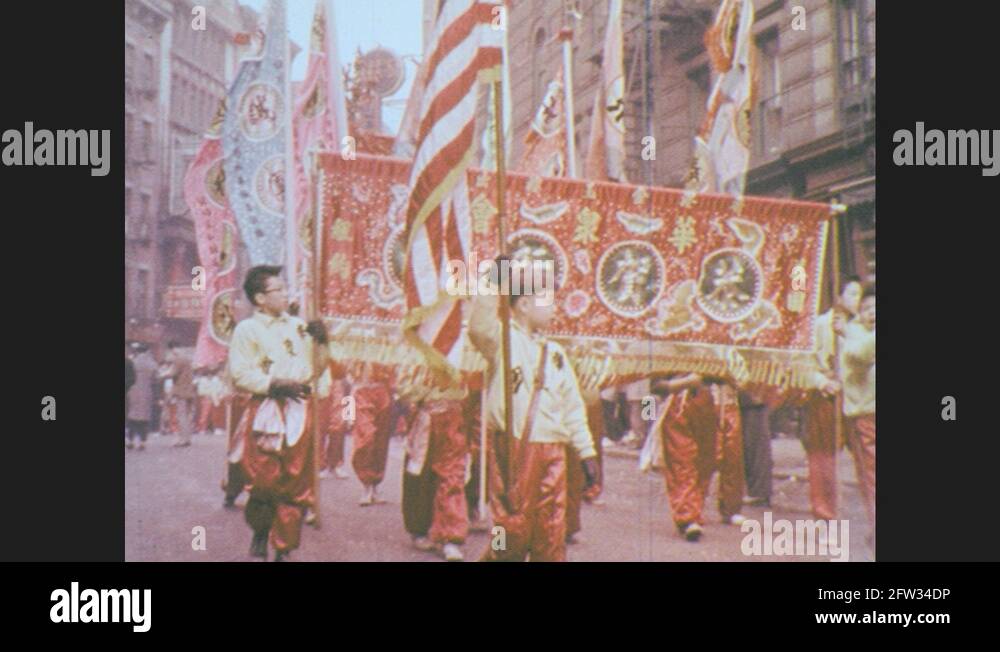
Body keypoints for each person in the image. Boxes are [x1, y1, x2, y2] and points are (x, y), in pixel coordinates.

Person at [468, 257, 599, 562]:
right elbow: (479, 326)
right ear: (524, 304)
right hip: (513, 449)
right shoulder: (502, 341)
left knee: (551, 533)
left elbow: (572, 407)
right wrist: (492, 281)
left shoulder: (556, 354)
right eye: (548, 300)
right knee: (509, 532)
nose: (555, 308)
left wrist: (586, 451)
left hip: (553, 453)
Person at [227, 265, 330, 562]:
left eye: (286, 288)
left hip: (299, 409)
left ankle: (284, 547)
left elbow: (317, 370)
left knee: (295, 482)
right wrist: (273, 384)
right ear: (260, 298)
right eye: (279, 289)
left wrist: (322, 342)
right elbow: (241, 374)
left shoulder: (299, 326)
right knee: (263, 480)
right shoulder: (247, 330)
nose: (287, 294)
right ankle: (261, 530)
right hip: (267, 410)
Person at [652, 373, 746, 541]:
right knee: (681, 462)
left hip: (709, 405)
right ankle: (686, 517)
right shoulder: (663, 351)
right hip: (675, 406)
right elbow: (651, 390)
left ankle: (697, 510)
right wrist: (647, 422)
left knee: (707, 463)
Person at [802, 276, 862, 520]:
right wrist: (821, 381)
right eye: (851, 294)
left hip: (858, 399)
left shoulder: (862, 326)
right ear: (839, 297)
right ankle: (825, 513)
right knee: (823, 456)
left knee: (866, 456)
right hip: (827, 397)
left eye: (859, 295)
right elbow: (806, 361)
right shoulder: (819, 324)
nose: (856, 300)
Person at [399, 377, 470, 561]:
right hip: (426, 419)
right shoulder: (419, 355)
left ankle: (450, 537)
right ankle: (419, 528)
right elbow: (404, 389)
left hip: (455, 419)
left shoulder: (467, 352)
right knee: (420, 476)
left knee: (453, 476)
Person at [836, 284, 875, 534]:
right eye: (867, 308)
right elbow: (859, 355)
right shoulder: (851, 333)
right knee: (872, 474)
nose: (872, 313)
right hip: (865, 413)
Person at [351, 365, 394, 506]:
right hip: (360, 393)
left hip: (382, 392)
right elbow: (345, 380)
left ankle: (375, 485)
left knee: (380, 442)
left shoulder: (387, 345)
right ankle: (366, 484)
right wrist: (347, 415)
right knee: (366, 438)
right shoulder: (353, 346)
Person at [161, 342, 197, 447]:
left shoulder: (179, 359)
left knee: (181, 416)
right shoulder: (188, 358)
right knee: (186, 415)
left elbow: (172, 373)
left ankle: (183, 439)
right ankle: (187, 438)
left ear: (173, 349)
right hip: (189, 390)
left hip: (181, 391)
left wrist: (161, 374)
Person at [739, 389, 772, 507]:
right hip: (751, 396)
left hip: (754, 395)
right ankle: (757, 491)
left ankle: (759, 492)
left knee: (755, 444)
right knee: (751, 444)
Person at [127, 343, 157, 451]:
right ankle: (142, 442)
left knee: (132, 417)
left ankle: (130, 440)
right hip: (146, 392)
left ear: (137, 351)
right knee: (144, 418)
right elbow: (155, 378)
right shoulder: (151, 363)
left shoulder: (132, 362)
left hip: (132, 391)